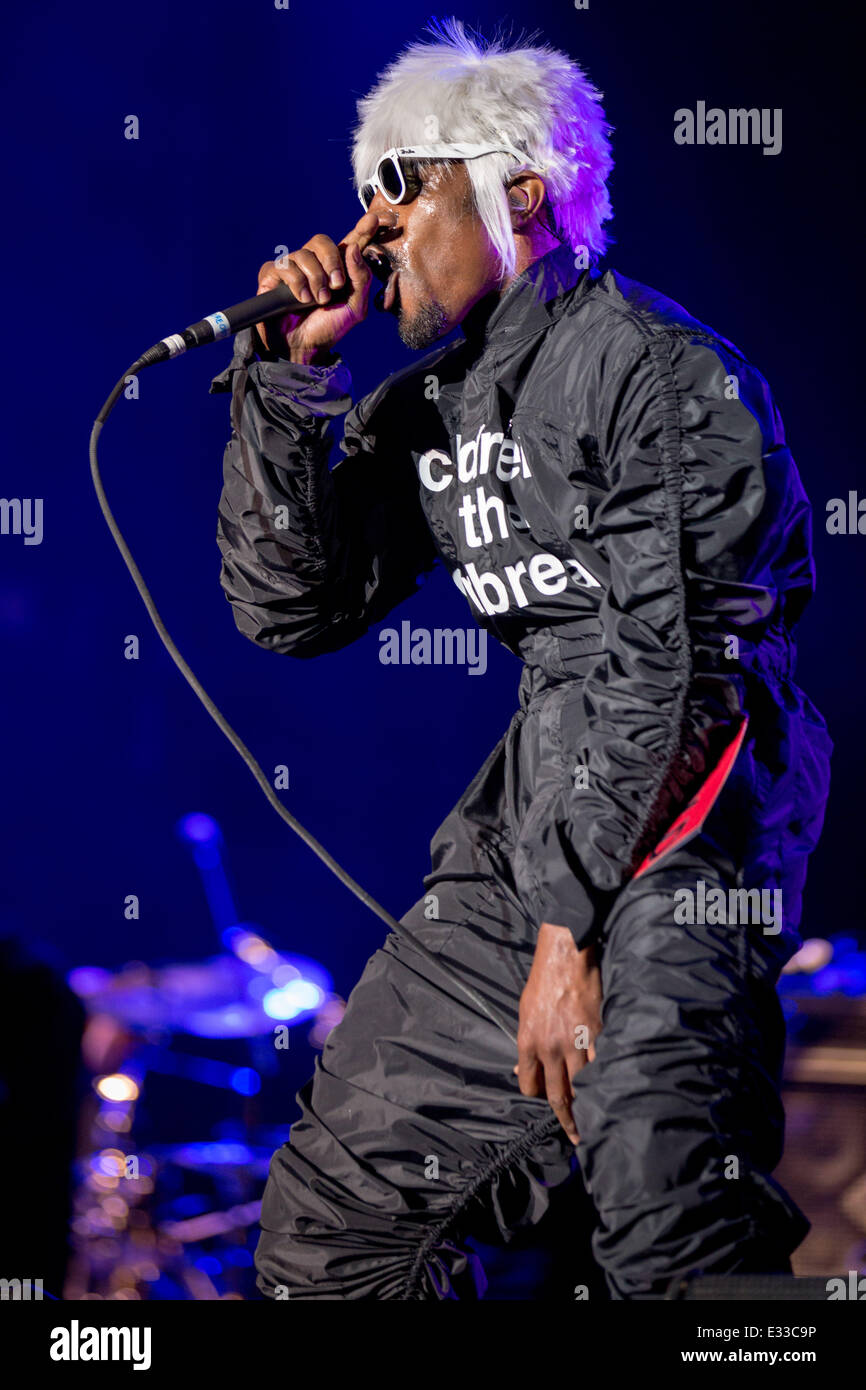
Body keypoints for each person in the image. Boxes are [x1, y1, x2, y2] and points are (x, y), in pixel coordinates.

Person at [212, 18, 832, 1299]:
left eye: (399, 184)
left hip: (689, 815)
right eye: (359, 194)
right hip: (533, 824)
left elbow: (677, 670)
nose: (369, 229)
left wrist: (571, 931)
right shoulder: (434, 403)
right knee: (329, 1224)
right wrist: (283, 387)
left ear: (520, 189)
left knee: (667, 1209)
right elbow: (293, 607)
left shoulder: (653, 372)